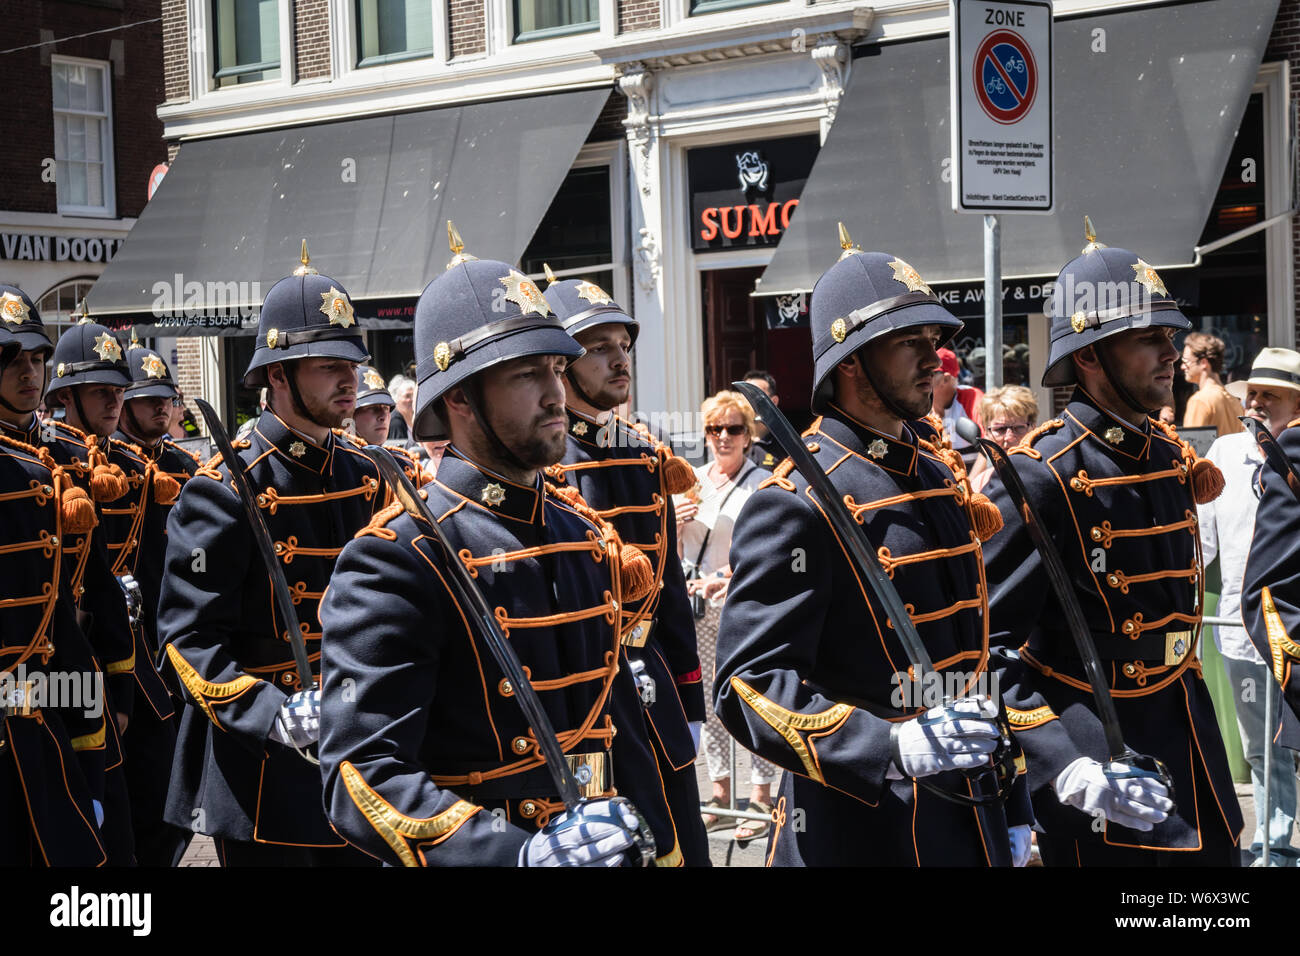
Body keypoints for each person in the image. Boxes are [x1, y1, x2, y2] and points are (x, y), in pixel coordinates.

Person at [318, 232, 651, 866]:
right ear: (460, 397)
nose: (557, 393)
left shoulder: (581, 533)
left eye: (556, 367)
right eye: (528, 374)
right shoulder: (400, 556)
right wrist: (514, 858)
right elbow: (360, 775)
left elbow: (610, 737)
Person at [711, 228, 1031, 865]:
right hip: (859, 827)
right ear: (850, 359)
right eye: (909, 343)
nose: (934, 360)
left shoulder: (938, 475)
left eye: (934, 342)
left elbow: (977, 653)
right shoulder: (798, 499)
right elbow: (748, 685)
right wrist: (887, 746)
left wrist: (1014, 803)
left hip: (970, 809)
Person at [982, 223, 1242, 865]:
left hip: (1190, 737)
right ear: (1090, 356)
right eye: (1146, 337)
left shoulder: (1169, 454)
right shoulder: (1042, 474)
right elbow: (987, 650)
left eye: (1170, 335)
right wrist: (1063, 766)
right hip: (1105, 763)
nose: (1168, 351)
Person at [157, 246, 383, 866]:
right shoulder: (223, 489)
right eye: (327, 365)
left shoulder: (373, 473)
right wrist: (275, 713)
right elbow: (188, 640)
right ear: (277, 375)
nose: (350, 380)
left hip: (366, 757)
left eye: (352, 362)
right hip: (268, 771)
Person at [544, 270, 709, 866]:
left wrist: (690, 703)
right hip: (579, 703)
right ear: (559, 364)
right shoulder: (541, 463)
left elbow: (670, 596)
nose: (619, 361)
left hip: (653, 691)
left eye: (623, 346)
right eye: (599, 348)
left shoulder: (646, 455)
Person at [0, 310, 108, 865]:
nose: (29, 373)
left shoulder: (41, 478)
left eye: (37, 360)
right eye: (12, 361)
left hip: (33, 719)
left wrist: (89, 735)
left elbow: (59, 621)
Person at [103, 337, 202, 866]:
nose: (161, 407)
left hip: (174, 645)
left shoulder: (188, 467)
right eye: (147, 399)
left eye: (166, 398)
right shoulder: (102, 467)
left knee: (172, 789)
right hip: (119, 653)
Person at [1203, 348, 1300, 867]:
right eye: (1254, 394)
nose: (1257, 403)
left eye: (1271, 395)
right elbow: (1202, 545)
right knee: (1263, 746)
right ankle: (1276, 848)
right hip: (1246, 632)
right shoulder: (1224, 453)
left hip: (1298, 627)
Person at [676, 390, 772, 841]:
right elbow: (674, 551)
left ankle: (761, 795)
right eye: (715, 429)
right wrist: (672, 523)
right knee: (710, 702)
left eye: (733, 428)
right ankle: (718, 792)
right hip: (698, 605)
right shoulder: (692, 480)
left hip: (743, 601)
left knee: (752, 695)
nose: (724, 437)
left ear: (748, 435)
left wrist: (726, 576)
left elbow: (768, 551)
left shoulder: (762, 484)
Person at [968, 385, 1039, 493]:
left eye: (1019, 428)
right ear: (986, 433)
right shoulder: (980, 484)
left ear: (1033, 428)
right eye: (1000, 429)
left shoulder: (1047, 474)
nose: (1009, 437)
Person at [1181, 332, 1245, 436]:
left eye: (1186, 361)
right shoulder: (1234, 400)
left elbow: (1191, 448)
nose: (1182, 367)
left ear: (1203, 363)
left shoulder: (1200, 400)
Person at [932, 347, 984, 467]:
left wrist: (970, 483)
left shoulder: (972, 397)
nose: (922, 376)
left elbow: (989, 445)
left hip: (971, 478)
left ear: (945, 379)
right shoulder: (919, 405)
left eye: (929, 373)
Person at [743, 370, 782, 470]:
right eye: (745, 396)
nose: (749, 402)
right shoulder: (731, 439)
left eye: (755, 396)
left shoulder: (785, 444)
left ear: (774, 401)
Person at [351, 365, 395, 446]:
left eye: (385, 408)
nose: (383, 417)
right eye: (372, 408)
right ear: (350, 415)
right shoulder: (335, 456)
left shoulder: (399, 458)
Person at [386, 374, 416, 443]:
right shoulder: (396, 423)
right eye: (407, 396)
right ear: (395, 398)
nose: (412, 399)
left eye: (414, 395)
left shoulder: (414, 418)